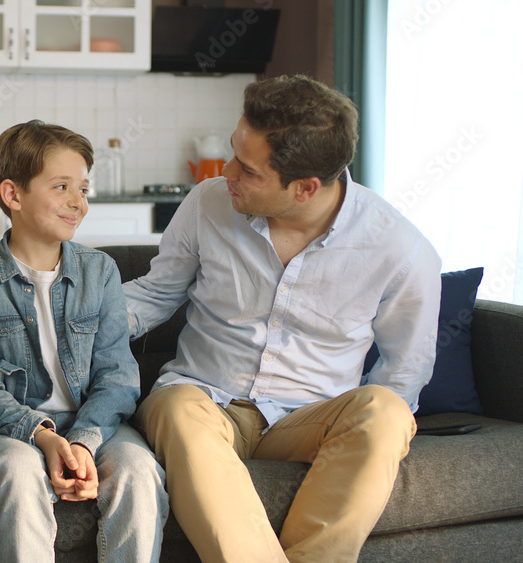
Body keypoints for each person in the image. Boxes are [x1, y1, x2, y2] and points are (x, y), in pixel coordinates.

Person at [124, 75, 442, 562]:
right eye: (233, 152)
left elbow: (404, 372)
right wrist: (60, 317)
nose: (226, 171)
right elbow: (155, 294)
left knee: (388, 411)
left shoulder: (399, 247)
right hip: (207, 406)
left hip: (307, 421)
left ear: (305, 188)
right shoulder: (207, 203)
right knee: (176, 406)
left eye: (247, 169)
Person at [0, 120, 168, 562]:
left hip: (95, 423)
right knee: (15, 470)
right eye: (62, 186)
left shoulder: (99, 271)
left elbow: (117, 376)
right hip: (16, 430)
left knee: (140, 471)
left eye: (83, 189)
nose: (77, 202)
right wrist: (42, 436)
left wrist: (84, 441)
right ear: (13, 195)